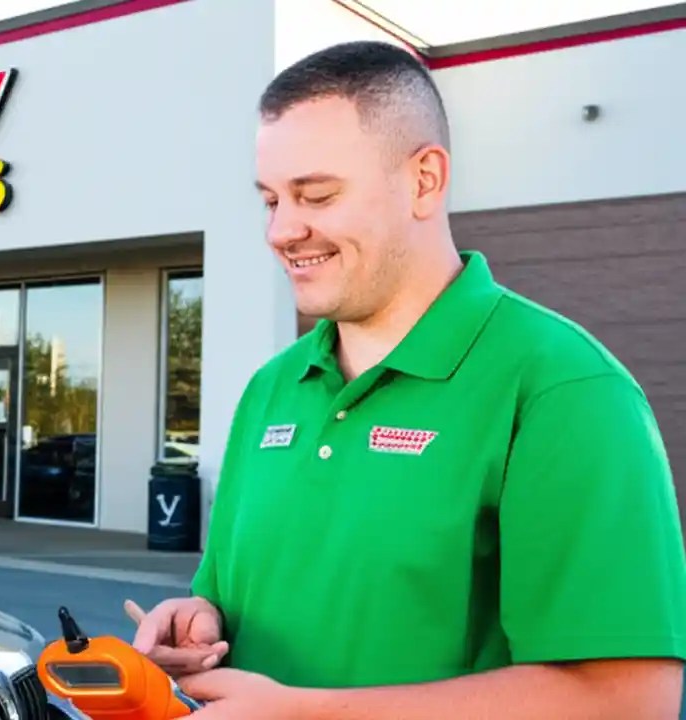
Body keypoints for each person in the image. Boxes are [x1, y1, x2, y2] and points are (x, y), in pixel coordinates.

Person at [128, 40, 686, 718]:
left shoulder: (564, 389)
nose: (281, 230)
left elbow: (629, 701)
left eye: (317, 195)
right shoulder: (271, 389)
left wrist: (305, 713)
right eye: (270, 199)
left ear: (424, 179)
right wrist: (203, 621)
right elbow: (227, 593)